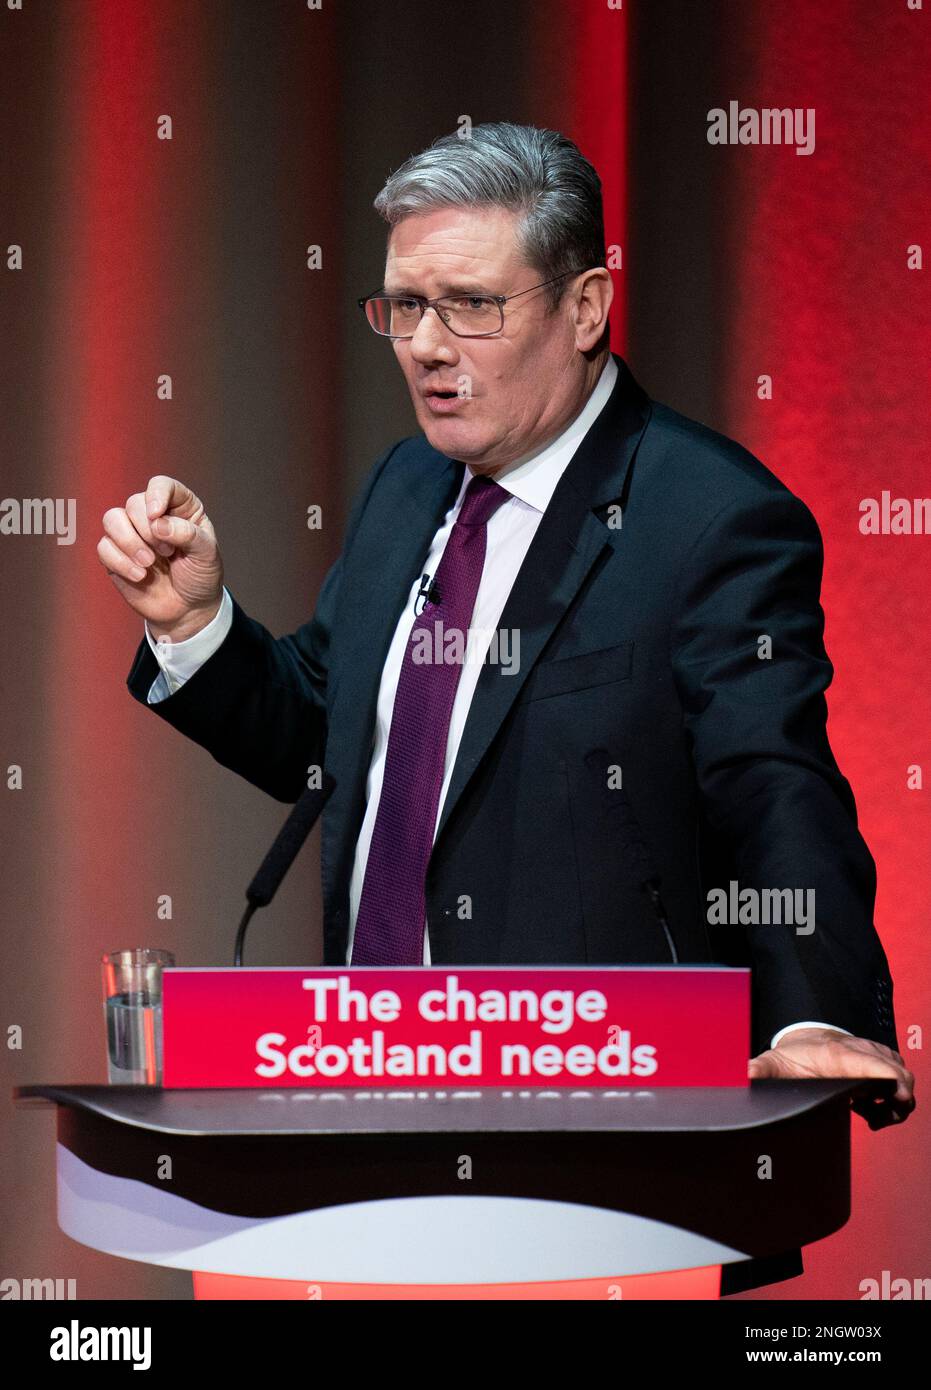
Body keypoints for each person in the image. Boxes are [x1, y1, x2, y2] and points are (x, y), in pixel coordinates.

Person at [98, 123, 913, 1142]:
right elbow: (332, 738)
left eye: (472, 305)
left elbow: (773, 782)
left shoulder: (707, 517)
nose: (428, 345)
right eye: (404, 306)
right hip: (363, 1098)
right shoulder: (406, 485)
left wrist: (814, 1009)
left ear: (584, 308)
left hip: (600, 1141)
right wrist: (197, 628)